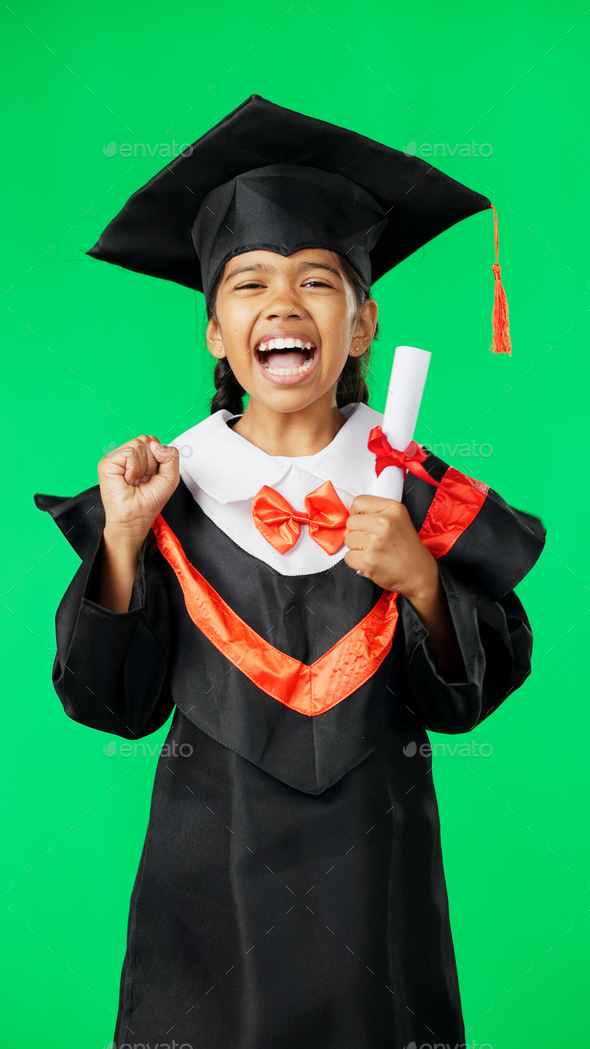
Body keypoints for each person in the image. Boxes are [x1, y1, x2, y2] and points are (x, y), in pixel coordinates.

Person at [34, 95, 545, 1049]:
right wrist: (123, 543)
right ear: (216, 332)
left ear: (362, 323)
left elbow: (467, 699)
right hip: (205, 915)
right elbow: (111, 703)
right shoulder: (164, 496)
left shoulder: (425, 502)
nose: (282, 303)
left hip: (377, 902)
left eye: (317, 279)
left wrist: (422, 581)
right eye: (249, 282)